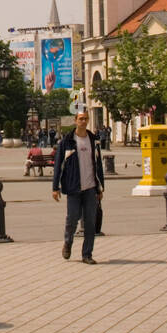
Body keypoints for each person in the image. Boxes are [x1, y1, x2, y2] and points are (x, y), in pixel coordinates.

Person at [52, 111, 105, 264]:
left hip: (90, 188)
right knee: (72, 219)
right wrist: (55, 187)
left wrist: (100, 187)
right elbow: (58, 165)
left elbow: (98, 165)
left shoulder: (93, 140)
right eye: (81, 119)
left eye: (86, 119)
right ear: (75, 121)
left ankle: (87, 254)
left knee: (90, 222)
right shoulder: (67, 141)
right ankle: (68, 242)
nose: (83, 121)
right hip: (73, 187)